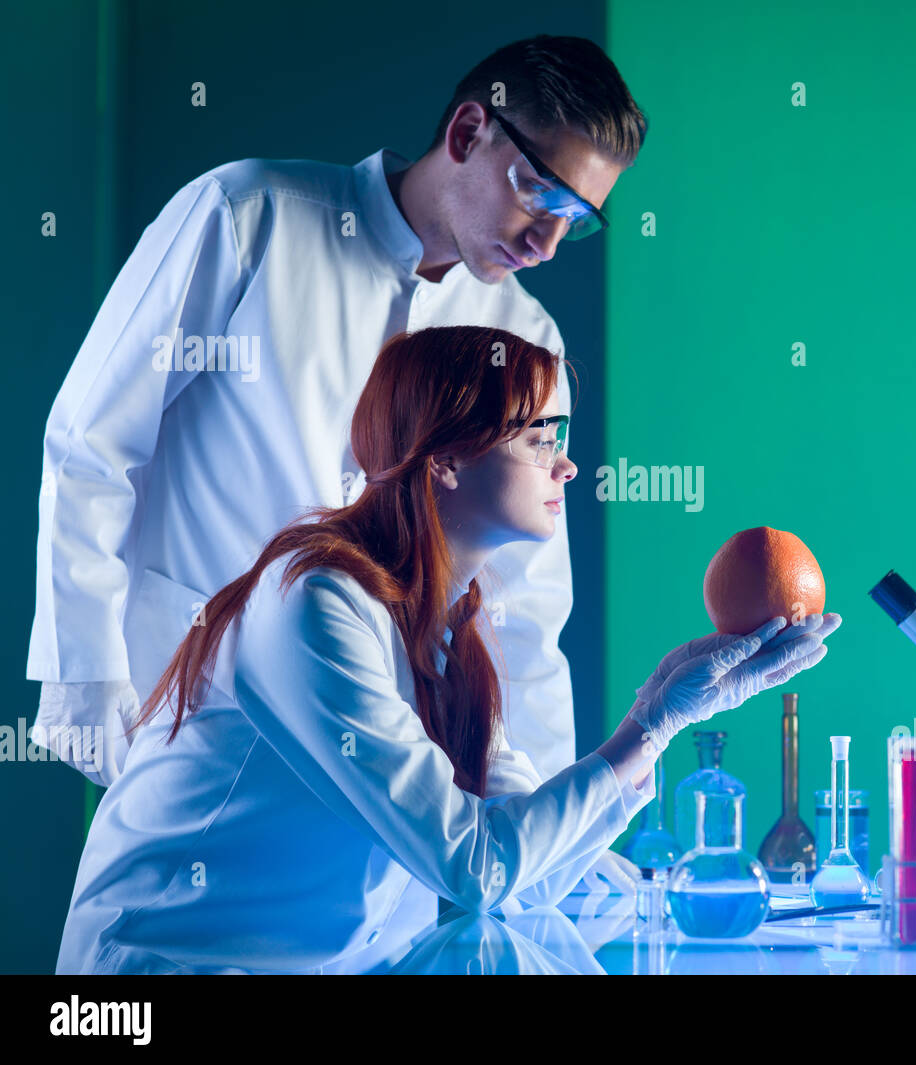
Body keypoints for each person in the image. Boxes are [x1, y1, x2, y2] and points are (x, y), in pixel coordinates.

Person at [55, 327, 841, 974]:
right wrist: (652, 726)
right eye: (539, 437)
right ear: (445, 459)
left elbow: (526, 877)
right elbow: (477, 866)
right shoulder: (316, 603)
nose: (567, 464)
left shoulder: (450, 630)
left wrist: (658, 706)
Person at [27, 36, 642, 819]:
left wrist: (556, 824)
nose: (546, 244)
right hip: (185, 723)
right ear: (465, 133)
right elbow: (93, 443)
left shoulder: (525, 337)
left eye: (576, 220)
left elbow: (523, 599)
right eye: (537, 194)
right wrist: (91, 705)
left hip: (380, 776)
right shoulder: (247, 216)